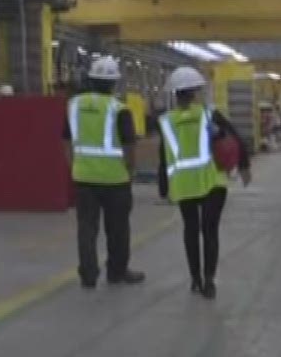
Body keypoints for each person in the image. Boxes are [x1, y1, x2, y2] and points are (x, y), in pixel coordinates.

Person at [158, 67, 251, 299]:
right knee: (210, 231)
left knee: (191, 230)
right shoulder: (210, 115)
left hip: (184, 183)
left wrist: (163, 186)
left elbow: (164, 156)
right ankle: (209, 280)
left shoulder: (167, 122)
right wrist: (244, 166)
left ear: (175, 94)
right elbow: (236, 139)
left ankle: (195, 279)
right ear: (197, 92)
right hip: (213, 182)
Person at [64, 55, 144, 289]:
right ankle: (117, 272)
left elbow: (65, 141)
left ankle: (88, 276)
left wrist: (73, 166)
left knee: (87, 229)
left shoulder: (74, 105)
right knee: (117, 229)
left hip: (84, 178)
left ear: (91, 80)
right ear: (113, 83)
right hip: (115, 179)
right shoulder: (119, 109)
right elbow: (129, 146)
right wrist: (130, 171)